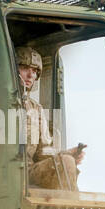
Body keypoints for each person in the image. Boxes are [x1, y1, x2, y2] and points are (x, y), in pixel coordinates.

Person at [15, 45, 85, 189]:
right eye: (24, 68)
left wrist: (67, 154)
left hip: (28, 171)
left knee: (65, 162)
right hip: (3, 172)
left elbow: (43, 151)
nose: (30, 75)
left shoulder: (36, 109)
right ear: (12, 69)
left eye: (34, 71)